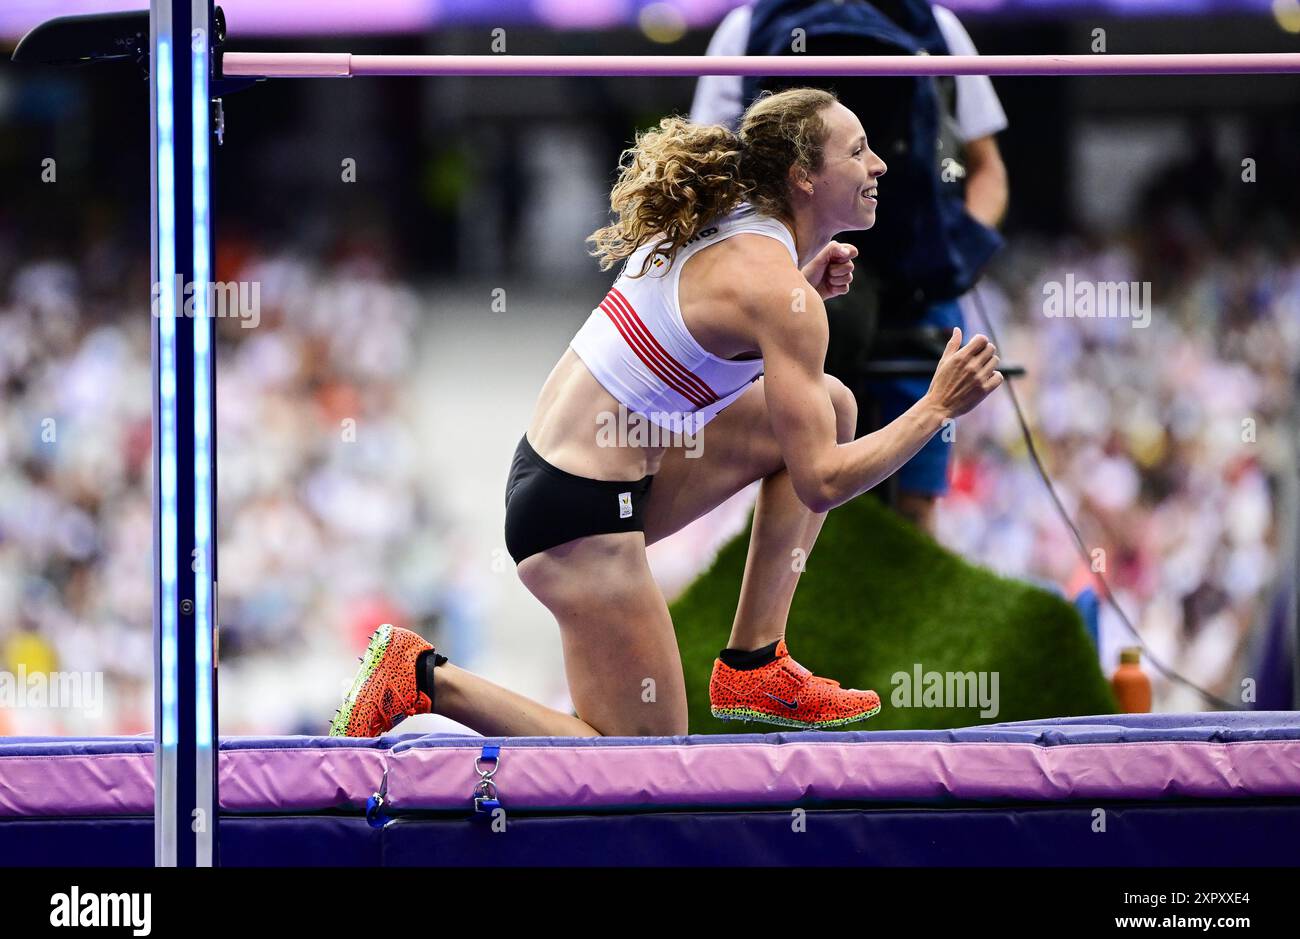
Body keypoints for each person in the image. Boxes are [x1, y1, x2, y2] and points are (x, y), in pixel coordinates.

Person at [330, 87, 1002, 739]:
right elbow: (820, 482)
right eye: (858, 152)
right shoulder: (776, 292)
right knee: (642, 757)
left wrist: (798, 286)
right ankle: (424, 677)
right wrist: (936, 406)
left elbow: (721, 308)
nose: (878, 165)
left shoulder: (737, 224)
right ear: (802, 178)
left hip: (574, 475)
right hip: (578, 516)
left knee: (831, 402)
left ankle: (754, 663)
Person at [693, 0, 1009, 535]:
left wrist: (960, 254)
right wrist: (772, 264)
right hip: (803, 280)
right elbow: (709, 173)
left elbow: (985, 168)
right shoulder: (747, 28)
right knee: (798, 473)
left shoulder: (935, 27)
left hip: (915, 283)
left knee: (907, 504)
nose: (876, 167)